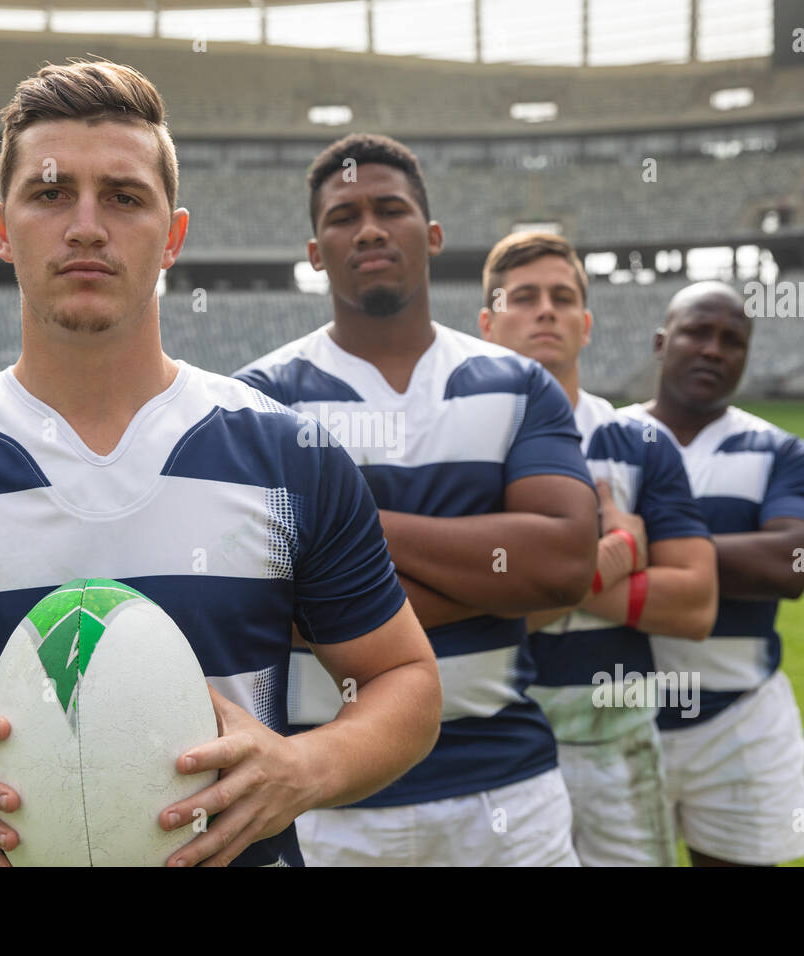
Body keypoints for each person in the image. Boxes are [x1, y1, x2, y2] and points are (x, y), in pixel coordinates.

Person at [0, 61, 442, 869]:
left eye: (123, 196)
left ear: (173, 236)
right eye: (50, 194)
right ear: (0, 229)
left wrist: (305, 766)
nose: (86, 226)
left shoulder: (290, 459)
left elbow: (405, 681)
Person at [235, 135, 599, 866]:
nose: (368, 228)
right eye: (344, 216)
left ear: (431, 236)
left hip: (509, 794)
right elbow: (263, 602)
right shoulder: (260, 401)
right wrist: (495, 575)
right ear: (315, 251)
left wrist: (348, 544)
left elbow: (562, 564)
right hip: (327, 795)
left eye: (390, 208)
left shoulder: (515, 382)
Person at [478, 231, 717, 866]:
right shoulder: (461, 453)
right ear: (487, 323)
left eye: (561, 298)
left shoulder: (640, 440)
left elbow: (695, 604)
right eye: (523, 297)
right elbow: (455, 619)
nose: (545, 310)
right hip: (498, 736)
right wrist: (609, 554)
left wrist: (541, 583)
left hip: (619, 731)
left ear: (585, 325)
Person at [618, 280, 804, 867]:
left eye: (732, 340)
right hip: (612, 718)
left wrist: (630, 547)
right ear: (663, 341)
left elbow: (792, 563)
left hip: (740, 717)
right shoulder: (603, 437)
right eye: (696, 332)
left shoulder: (780, 452)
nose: (713, 349)